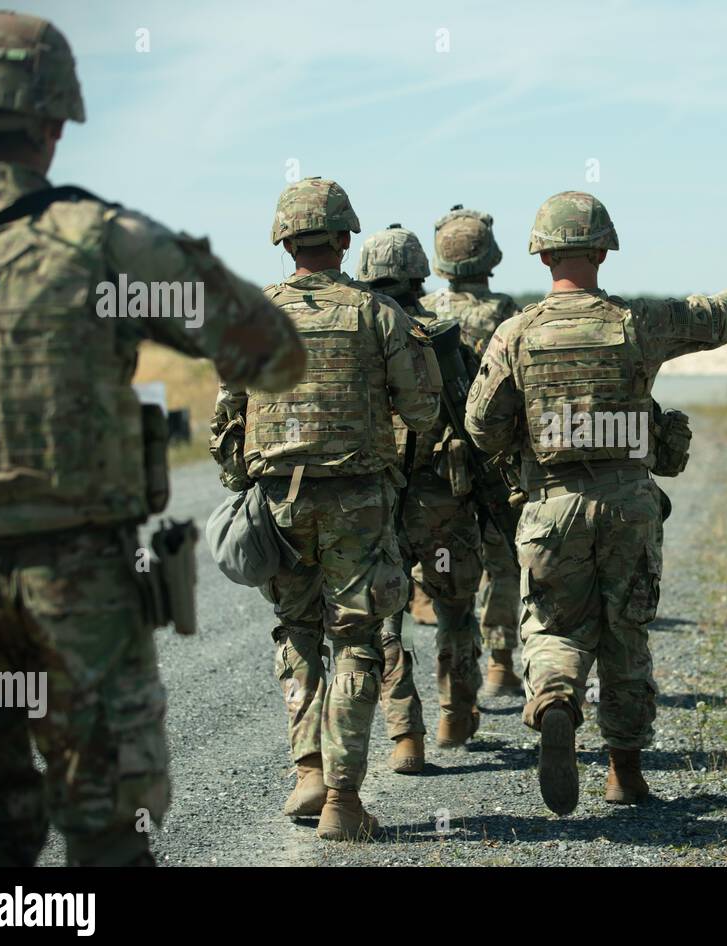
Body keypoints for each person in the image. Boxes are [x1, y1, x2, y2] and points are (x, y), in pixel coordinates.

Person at [0, 10, 305, 866]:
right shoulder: (103, 242)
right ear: (54, 122)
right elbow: (273, 352)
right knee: (107, 831)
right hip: (78, 587)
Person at [465, 190, 727, 813]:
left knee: (555, 623)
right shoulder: (639, 321)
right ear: (604, 250)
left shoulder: (516, 332)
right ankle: (625, 774)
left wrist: (530, 449)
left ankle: (556, 698)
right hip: (630, 502)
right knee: (625, 632)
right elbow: (724, 312)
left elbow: (482, 425)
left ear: (541, 253)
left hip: (552, 502)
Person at [210, 179, 441, 839]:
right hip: (359, 501)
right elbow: (423, 410)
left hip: (277, 499)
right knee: (359, 642)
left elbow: (227, 422)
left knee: (297, 632)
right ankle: (343, 798)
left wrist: (245, 486)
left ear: (284, 241)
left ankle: (307, 770)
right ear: (344, 239)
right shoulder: (378, 314)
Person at [357, 224, 483, 764]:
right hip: (442, 498)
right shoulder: (448, 339)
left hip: (377, 499)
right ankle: (455, 713)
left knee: (385, 618)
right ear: (419, 274)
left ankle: (405, 734)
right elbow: (481, 420)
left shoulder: (358, 333)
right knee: (455, 607)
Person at [421, 205, 524, 697]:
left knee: (447, 562)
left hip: (437, 461)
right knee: (503, 558)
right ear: (491, 256)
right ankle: (502, 660)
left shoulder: (421, 312)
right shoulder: (508, 311)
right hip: (496, 456)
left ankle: (454, 691)